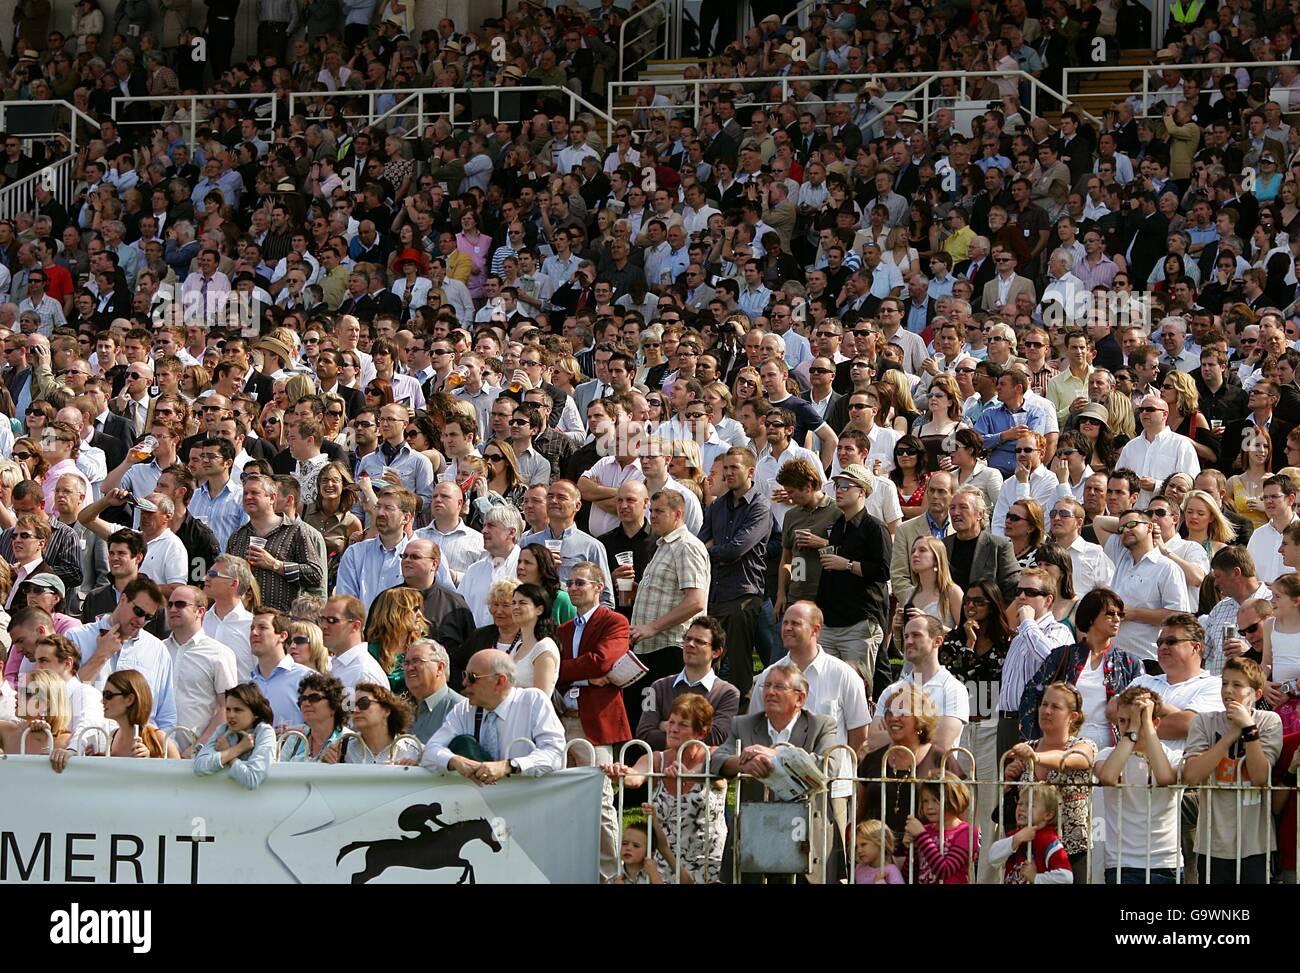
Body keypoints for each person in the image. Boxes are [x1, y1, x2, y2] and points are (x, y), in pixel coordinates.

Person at [709, 659, 839, 883]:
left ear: (800, 698)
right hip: (754, 838)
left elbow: (829, 766)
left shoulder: (821, 725)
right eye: (766, 685)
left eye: (779, 687)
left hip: (805, 838)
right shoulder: (743, 724)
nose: (770, 692)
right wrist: (742, 763)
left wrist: (775, 755)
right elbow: (716, 760)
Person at [555, 559, 631, 882]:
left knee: (600, 802)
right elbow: (556, 669)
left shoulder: (615, 621)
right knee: (562, 801)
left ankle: (610, 875)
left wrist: (567, 670)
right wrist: (583, 675)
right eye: (570, 583)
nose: (573, 588)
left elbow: (602, 662)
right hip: (563, 719)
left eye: (580, 583)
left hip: (595, 723)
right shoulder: (563, 629)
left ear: (599, 587)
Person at [600, 694, 727, 885]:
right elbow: (634, 778)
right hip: (664, 865)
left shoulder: (714, 756)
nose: (673, 729)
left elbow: (720, 779)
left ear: (701, 732)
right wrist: (621, 772)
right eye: (671, 722)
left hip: (709, 864)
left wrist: (689, 774)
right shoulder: (656, 759)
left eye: (683, 725)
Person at [1181, 656, 1285, 884]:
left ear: (1256, 694)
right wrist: (1230, 736)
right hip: (1212, 844)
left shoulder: (1270, 721)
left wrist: (1248, 728)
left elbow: (1260, 777)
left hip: (1257, 845)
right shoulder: (1204, 722)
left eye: (1237, 685)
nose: (1227, 690)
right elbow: (1191, 776)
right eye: (1224, 683)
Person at [1019, 588, 1145, 749]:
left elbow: (1140, 709)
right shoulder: (1063, 656)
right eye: (1110, 613)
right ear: (1091, 617)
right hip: (1063, 749)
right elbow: (1031, 695)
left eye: (1120, 614)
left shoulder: (1130, 663)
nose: (1117, 619)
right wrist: (1033, 743)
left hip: (1113, 752)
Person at [422, 649, 566, 782]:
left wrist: (508, 766)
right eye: (464, 675)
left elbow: (555, 753)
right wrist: (454, 760)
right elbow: (430, 751)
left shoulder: (533, 701)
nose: (464, 683)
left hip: (528, 799)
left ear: (500, 681)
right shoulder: (463, 710)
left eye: (472, 677)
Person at [1003, 682, 1097, 878]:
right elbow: (1011, 806)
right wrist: (1008, 782)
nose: (1046, 711)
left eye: (1055, 707)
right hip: (1029, 853)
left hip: (1071, 851)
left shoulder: (1085, 746)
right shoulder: (1027, 748)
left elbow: (1070, 759)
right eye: (1044, 704)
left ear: (1073, 716)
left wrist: (1035, 758)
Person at [698, 447, 770, 700]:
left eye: (734, 468)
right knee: (708, 665)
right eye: (725, 468)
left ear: (750, 472)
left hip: (742, 595)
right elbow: (699, 544)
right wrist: (714, 549)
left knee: (738, 669)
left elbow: (736, 549)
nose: (727, 473)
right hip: (714, 594)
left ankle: (739, 720)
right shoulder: (717, 506)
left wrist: (712, 550)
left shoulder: (760, 506)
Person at [1095, 684, 1180, 883]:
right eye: (1122, 721)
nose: (1126, 726)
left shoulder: (1172, 756)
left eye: (1137, 720)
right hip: (1122, 863)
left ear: (1155, 723)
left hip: (1165, 862)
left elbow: (1165, 778)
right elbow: (1108, 777)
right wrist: (1134, 728)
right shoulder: (1107, 755)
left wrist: (1147, 725)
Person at [67, 575, 174, 728]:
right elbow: (65, 697)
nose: (141, 621)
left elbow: (166, 714)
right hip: (90, 736)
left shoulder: (158, 650)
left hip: (139, 739)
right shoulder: (76, 637)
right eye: (138, 611)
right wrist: (101, 655)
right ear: (123, 599)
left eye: (148, 617)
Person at [813, 463, 892, 672]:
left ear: (862, 492)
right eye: (837, 485)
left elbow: (883, 570)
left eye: (845, 486)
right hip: (831, 620)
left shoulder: (875, 527)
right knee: (826, 682)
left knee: (857, 684)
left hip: (860, 621)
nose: (839, 491)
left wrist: (847, 565)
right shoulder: (838, 525)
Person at [1115, 614, 1224, 757]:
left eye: (1171, 641)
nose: (1163, 647)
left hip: (1180, 767)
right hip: (1133, 764)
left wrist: (1148, 710)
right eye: (1160, 642)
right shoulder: (1143, 680)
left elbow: (1188, 724)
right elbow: (1112, 710)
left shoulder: (1214, 684)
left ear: (1195, 647)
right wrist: (1170, 712)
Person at [996, 566, 1076, 758]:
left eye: (1030, 592)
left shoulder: (1058, 631)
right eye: (1018, 592)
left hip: (1036, 721)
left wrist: (1027, 622)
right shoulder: (1019, 636)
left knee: (1031, 776)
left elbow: (1051, 659)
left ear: (1048, 600)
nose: (1022, 597)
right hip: (1006, 722)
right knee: (1006, 777)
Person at [635, 616, 740, 750]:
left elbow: (717, 736)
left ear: (716, 652)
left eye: (699, 641)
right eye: (687, 639)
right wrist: (693, 732)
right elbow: (644, 735)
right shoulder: (658, 687)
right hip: (661, 762)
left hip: (703, 763)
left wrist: (665, 726)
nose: (690, 644)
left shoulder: (728, 693)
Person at [51, 668, 179, 770]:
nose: (102, 701)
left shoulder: (158, 738)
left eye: (108, 695)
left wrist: (151, 762)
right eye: (103, 695)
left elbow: (178, 780)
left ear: (130, 699)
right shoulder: (112, 736)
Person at [163, 585, 238, 747]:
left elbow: (226, 708)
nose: (172, 609)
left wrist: (198, 747)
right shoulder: (157, 650)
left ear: (200, 611)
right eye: (169, 605)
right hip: (156, 749)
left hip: (197, 752)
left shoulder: (219, 653)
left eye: (180, 604)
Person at [192, 683, 278, 790]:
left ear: (255, 713)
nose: (231, 715)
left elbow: (252, 778)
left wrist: (229, 755)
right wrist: (238, 749)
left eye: (238, 710)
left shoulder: (265, 732)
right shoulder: (223, 729)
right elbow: (199, 766)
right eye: (228, 709)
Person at [944, 485, 1021, 602]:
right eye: (952, 508)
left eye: (963, 507)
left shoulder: (999, 546)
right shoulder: (943, 546)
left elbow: (1012, 589)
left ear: (979, 514)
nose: (955, 513)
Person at [987, 783, 1075, 884]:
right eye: (1019, 804)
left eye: (1029, 805)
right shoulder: (1016, 835)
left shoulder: (1048, 840)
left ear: (1048, 814)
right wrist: (1016, 839)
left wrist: (1036, 878)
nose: (1021, 808)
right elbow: (992, 857)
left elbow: (1066, 877)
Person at [322, 681, 422, 765]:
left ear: (386, 710)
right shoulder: (342, 749)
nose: (355, 710)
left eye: (363, 703)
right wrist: (326, 763)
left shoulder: (415, 751)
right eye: (351, 705)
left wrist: (419, 771)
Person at [904, 775, 978, 885]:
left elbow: (945, 870)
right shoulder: (925, 830)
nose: (929, 806)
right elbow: (909, 876)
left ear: (953, 800)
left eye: (935, 800)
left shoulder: (966, 831)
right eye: (925, 801)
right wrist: (910, 850)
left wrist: (921, 836)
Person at [321, 594, 390, 690]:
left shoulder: (365, 674)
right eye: (322, 619)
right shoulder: (335, 664)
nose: (323, 626)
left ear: (355, 626)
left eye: (332, 620)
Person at [404, 639, 465, 744]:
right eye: (406, 663)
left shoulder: (461, 711)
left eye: (417, 661)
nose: (409, 668)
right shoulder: (401, 709)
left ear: (440, 668)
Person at [278, 672, 347, 762]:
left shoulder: (348, 741)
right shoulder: (295, 740)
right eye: (303, 699)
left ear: (334, 705)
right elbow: (280, 770)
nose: (306, 703)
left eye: (314, 698)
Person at [0, 669, 71, 755]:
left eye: (26, 693)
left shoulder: (68, 742)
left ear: (47, 704)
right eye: (18, 690)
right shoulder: (5, 731)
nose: (16, 695)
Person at [507, 582, 560, 697]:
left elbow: (540, 697)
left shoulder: (544, 647)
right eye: (513, 603)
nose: (515, 607)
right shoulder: (518, 646)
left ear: (539, 609)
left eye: (522, 603)